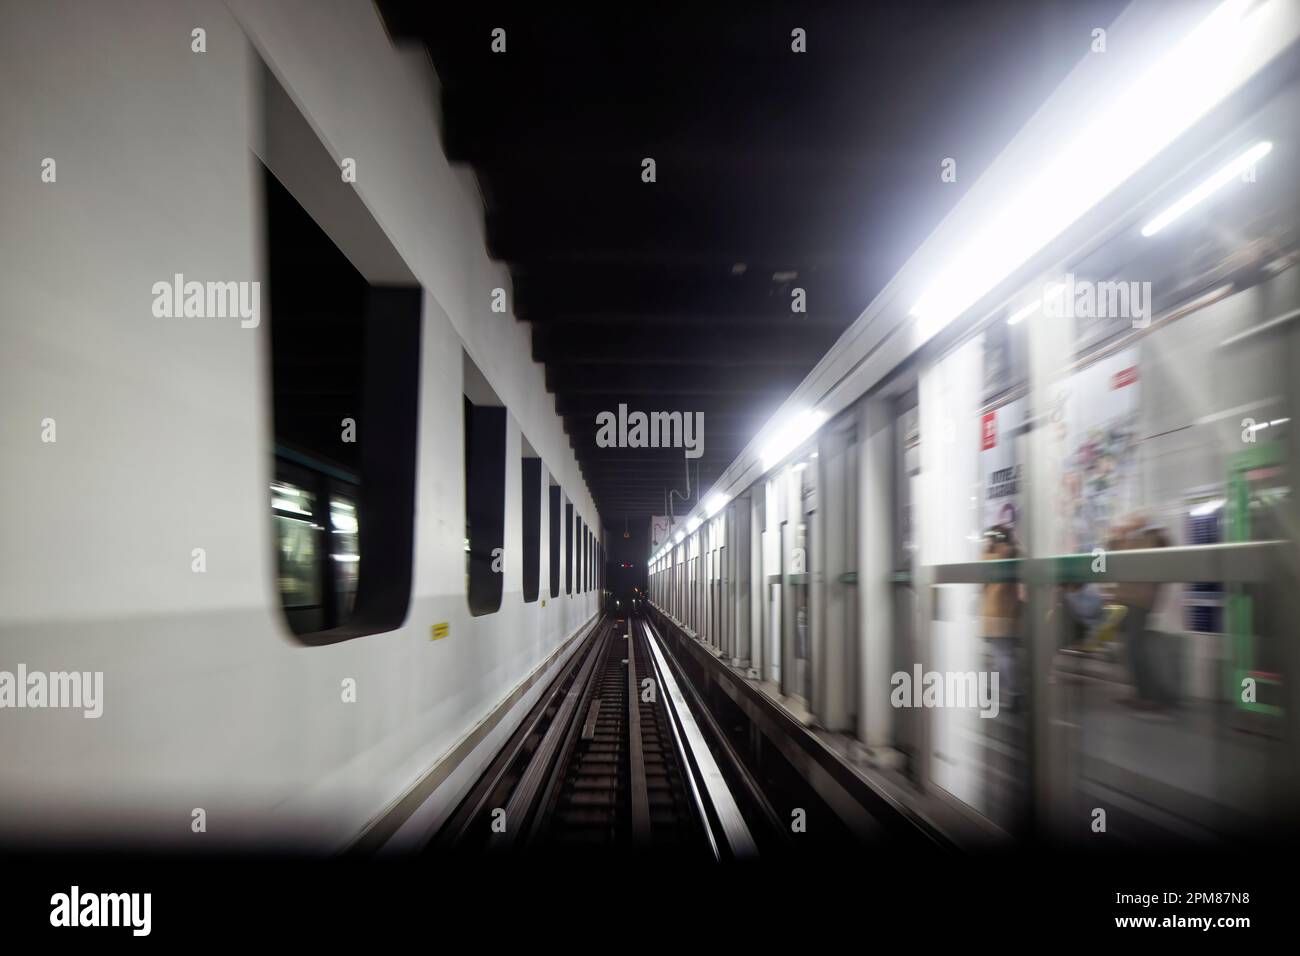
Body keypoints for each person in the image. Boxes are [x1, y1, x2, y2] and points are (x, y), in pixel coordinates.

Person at [1108, 516, 1175, 711]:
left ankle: (1151, 696)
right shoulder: (1136, 538)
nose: (1130, 522)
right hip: (1127, 599)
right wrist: (1116, 535)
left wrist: (1124, 534)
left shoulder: (1153, 538)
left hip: (1139, 601)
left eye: (1135, 520)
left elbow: (1129, 555)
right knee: (1129, 649)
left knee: (1137, 649)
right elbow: (1113, 552)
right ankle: (1140, 692)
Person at [981, 525, 1024, 712]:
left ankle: (1007, 691)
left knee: (1002, 656)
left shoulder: (989, 556)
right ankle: (1006, 692)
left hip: (993, 613)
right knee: (1005, 655)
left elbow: (982, 584)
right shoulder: (1012, 555)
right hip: (1006, 612)